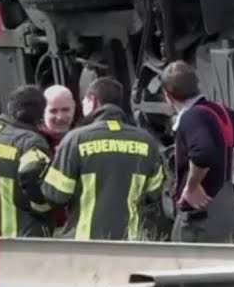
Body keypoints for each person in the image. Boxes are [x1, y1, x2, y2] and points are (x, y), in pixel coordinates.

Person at [40, 76, 167, 240]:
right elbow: (154, 192)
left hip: (86, 241)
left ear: (93, 100)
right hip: (130, 240)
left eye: (84, 101)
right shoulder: (146, 141)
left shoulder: (76, 139)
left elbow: (57, 194)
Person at [160, 60, 234, 244]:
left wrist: (192, 186)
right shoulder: (219, 111)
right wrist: (229, 163)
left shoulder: (191, 118)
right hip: (230, 214)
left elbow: (203, 154)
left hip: (201, 222)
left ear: (168, 96)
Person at [0, 85, 56, 237]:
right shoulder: (31, 141)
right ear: (40, 113)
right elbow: (31, 173)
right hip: (23, 234)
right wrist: (43, 208)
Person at [39, 83, 77, 234]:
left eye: (65, 110)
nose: (60, 117)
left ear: (74, 107)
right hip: (49, 228)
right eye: (53, 111)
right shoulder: (35, 143)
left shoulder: (83, 138)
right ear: (42, 112)